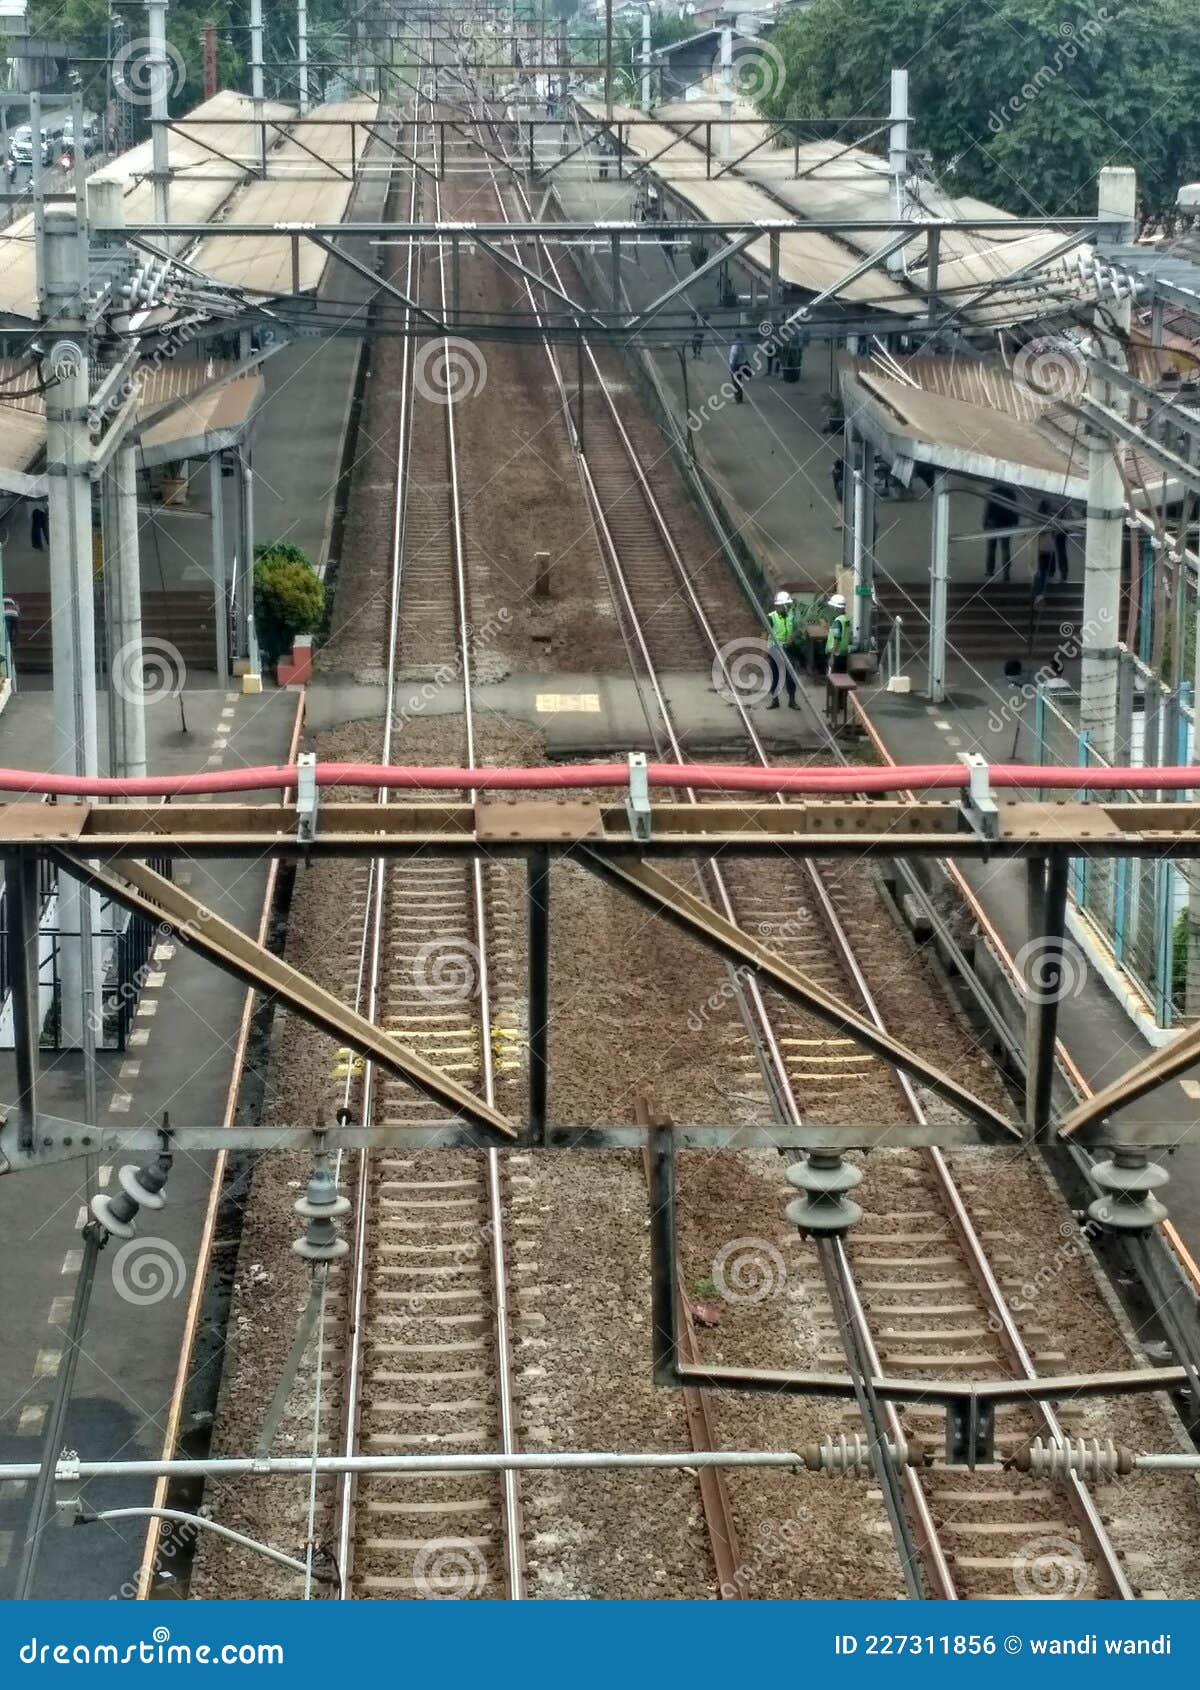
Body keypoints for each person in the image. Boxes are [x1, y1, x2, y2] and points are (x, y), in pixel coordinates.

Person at [766, 590, 798, 708]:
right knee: (776, 675)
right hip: (775, 649)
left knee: (790, 676)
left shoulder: (790, 616)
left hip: (788, 649)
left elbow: (793, 630)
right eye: (785, 605)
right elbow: (765, 633)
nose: (787, 607)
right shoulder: (771, 617)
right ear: (779, 605)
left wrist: (792, 638)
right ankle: (775, 700)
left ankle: (792, 700)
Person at [982, 481, 1017, 581]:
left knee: (991, 548)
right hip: (1006, 523)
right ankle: (1006, 573)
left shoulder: (993, 491)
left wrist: (985, 522)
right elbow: (1014, 509)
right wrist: (1015, 522)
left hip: (993, 522)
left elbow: (988, 509)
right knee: (1005, 548)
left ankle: (990, 571)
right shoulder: (1011, 493)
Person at [825, 592, 851, 674]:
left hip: (836, 654)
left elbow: (837, 639)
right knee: (842, 678)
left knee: (833, 678)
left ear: (836, 608)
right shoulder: (846, 619)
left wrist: (832, 657)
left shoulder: (838, 621)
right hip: (844, 654)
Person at [729, 335, 751, 403]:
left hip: (736, 366)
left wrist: (732, 367)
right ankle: (739, 398)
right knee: (739, 382)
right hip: (743, 364)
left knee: (736, 383)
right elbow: (746, 355)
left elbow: (734, 356)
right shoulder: (742, 345)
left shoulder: (735, 346)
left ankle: (737, 399)